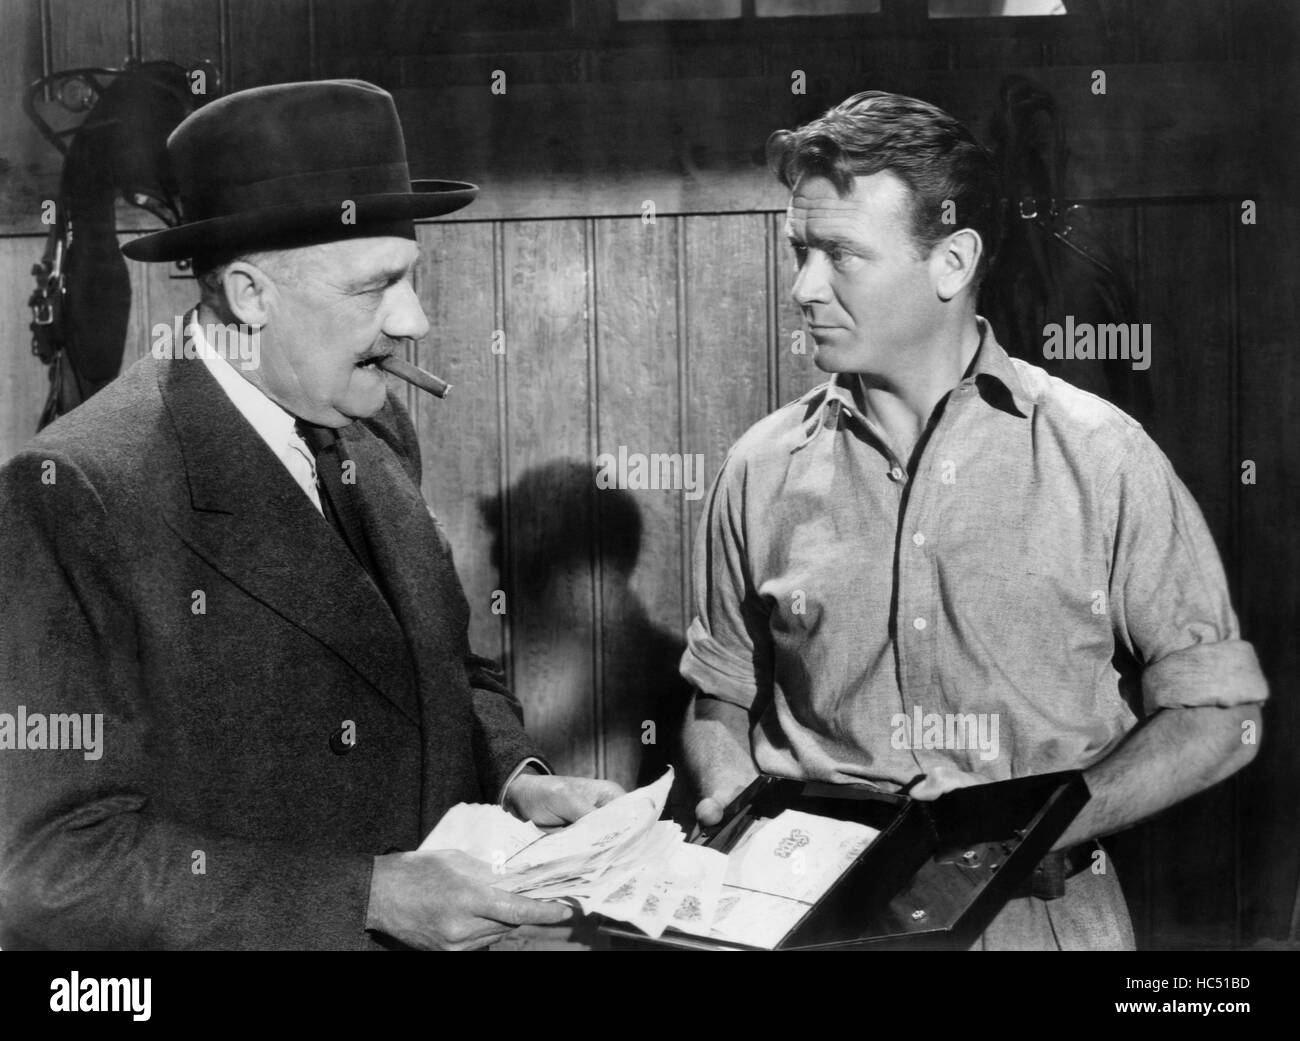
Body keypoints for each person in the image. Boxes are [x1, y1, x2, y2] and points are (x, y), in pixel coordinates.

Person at [0, 79, 621, 951]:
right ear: (251, 296)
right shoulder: (78, 492)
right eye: (378, 287)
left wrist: (517, 776)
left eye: (411, 279)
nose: (415, 319)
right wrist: (366, 895)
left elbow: (434, 666)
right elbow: (49, 870)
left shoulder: (372, 426)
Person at [678, 91, 1268, 950]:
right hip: (811, 925)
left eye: (841, 254)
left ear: (952, 262)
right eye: (801, 251)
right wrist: (742, 822)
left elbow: (1221, 717)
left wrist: (1018, 837)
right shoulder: (758, 466)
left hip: (1041, 924)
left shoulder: (1103, 457)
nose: (804, 288)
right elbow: (715, 701)